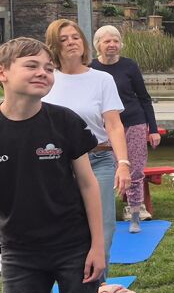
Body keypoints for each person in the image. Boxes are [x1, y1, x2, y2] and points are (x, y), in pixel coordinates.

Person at [0, 37, 108, 293]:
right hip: (20, 254)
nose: (43, 72)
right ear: (4, 73)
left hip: (73, 248)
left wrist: (98, 246)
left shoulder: (63, 122)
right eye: (32, 65)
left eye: (48, 66)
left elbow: (88, 185)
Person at [43, 20, 130, 266]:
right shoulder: (47, 79)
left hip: (98, 159)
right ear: (54, 46)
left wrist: (123, 163)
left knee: (102, 227)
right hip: (57, 162)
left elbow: (113, 125)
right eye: (63, 39)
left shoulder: (101, 79)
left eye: (75, 37)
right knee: (55, 226)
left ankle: (98, 292)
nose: (71, 42)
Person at [90, 25, 160, 232]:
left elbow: (144, 98)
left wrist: (153, 129)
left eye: (116, 41)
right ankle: (104, 215)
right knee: (107, 169)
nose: (112, 45)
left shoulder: (129, 66)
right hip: (105, 127)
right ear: (98, 45)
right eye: (107, 41)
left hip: (134, 122)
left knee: (135, 169)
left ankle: (135, 214)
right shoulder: (91, 68)